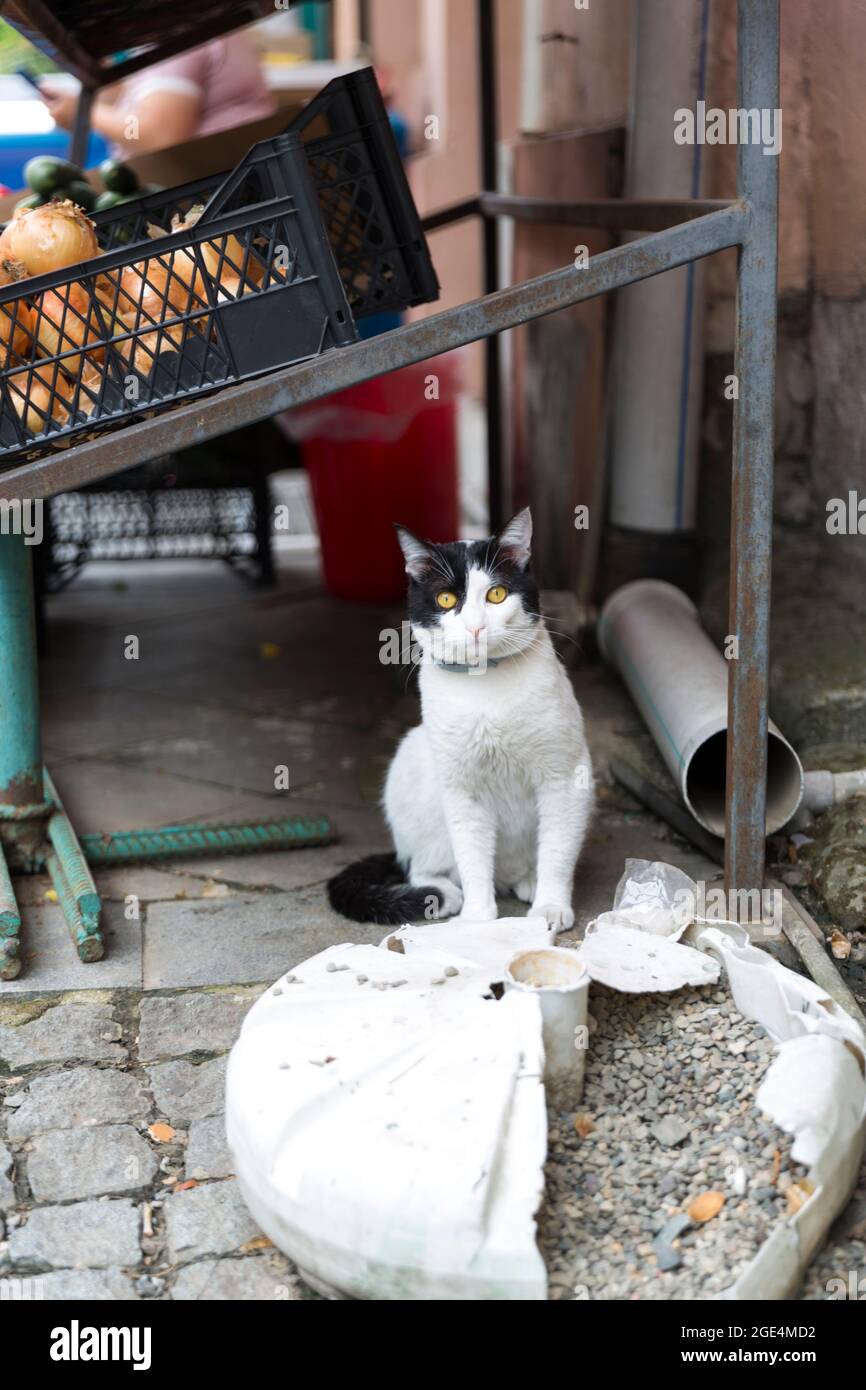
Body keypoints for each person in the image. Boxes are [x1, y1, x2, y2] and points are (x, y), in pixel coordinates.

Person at [38, 33, 275, 157]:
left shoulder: (179, 32)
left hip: (213, 190)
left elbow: (160, 134)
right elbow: (146, 108)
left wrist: (86, 112)